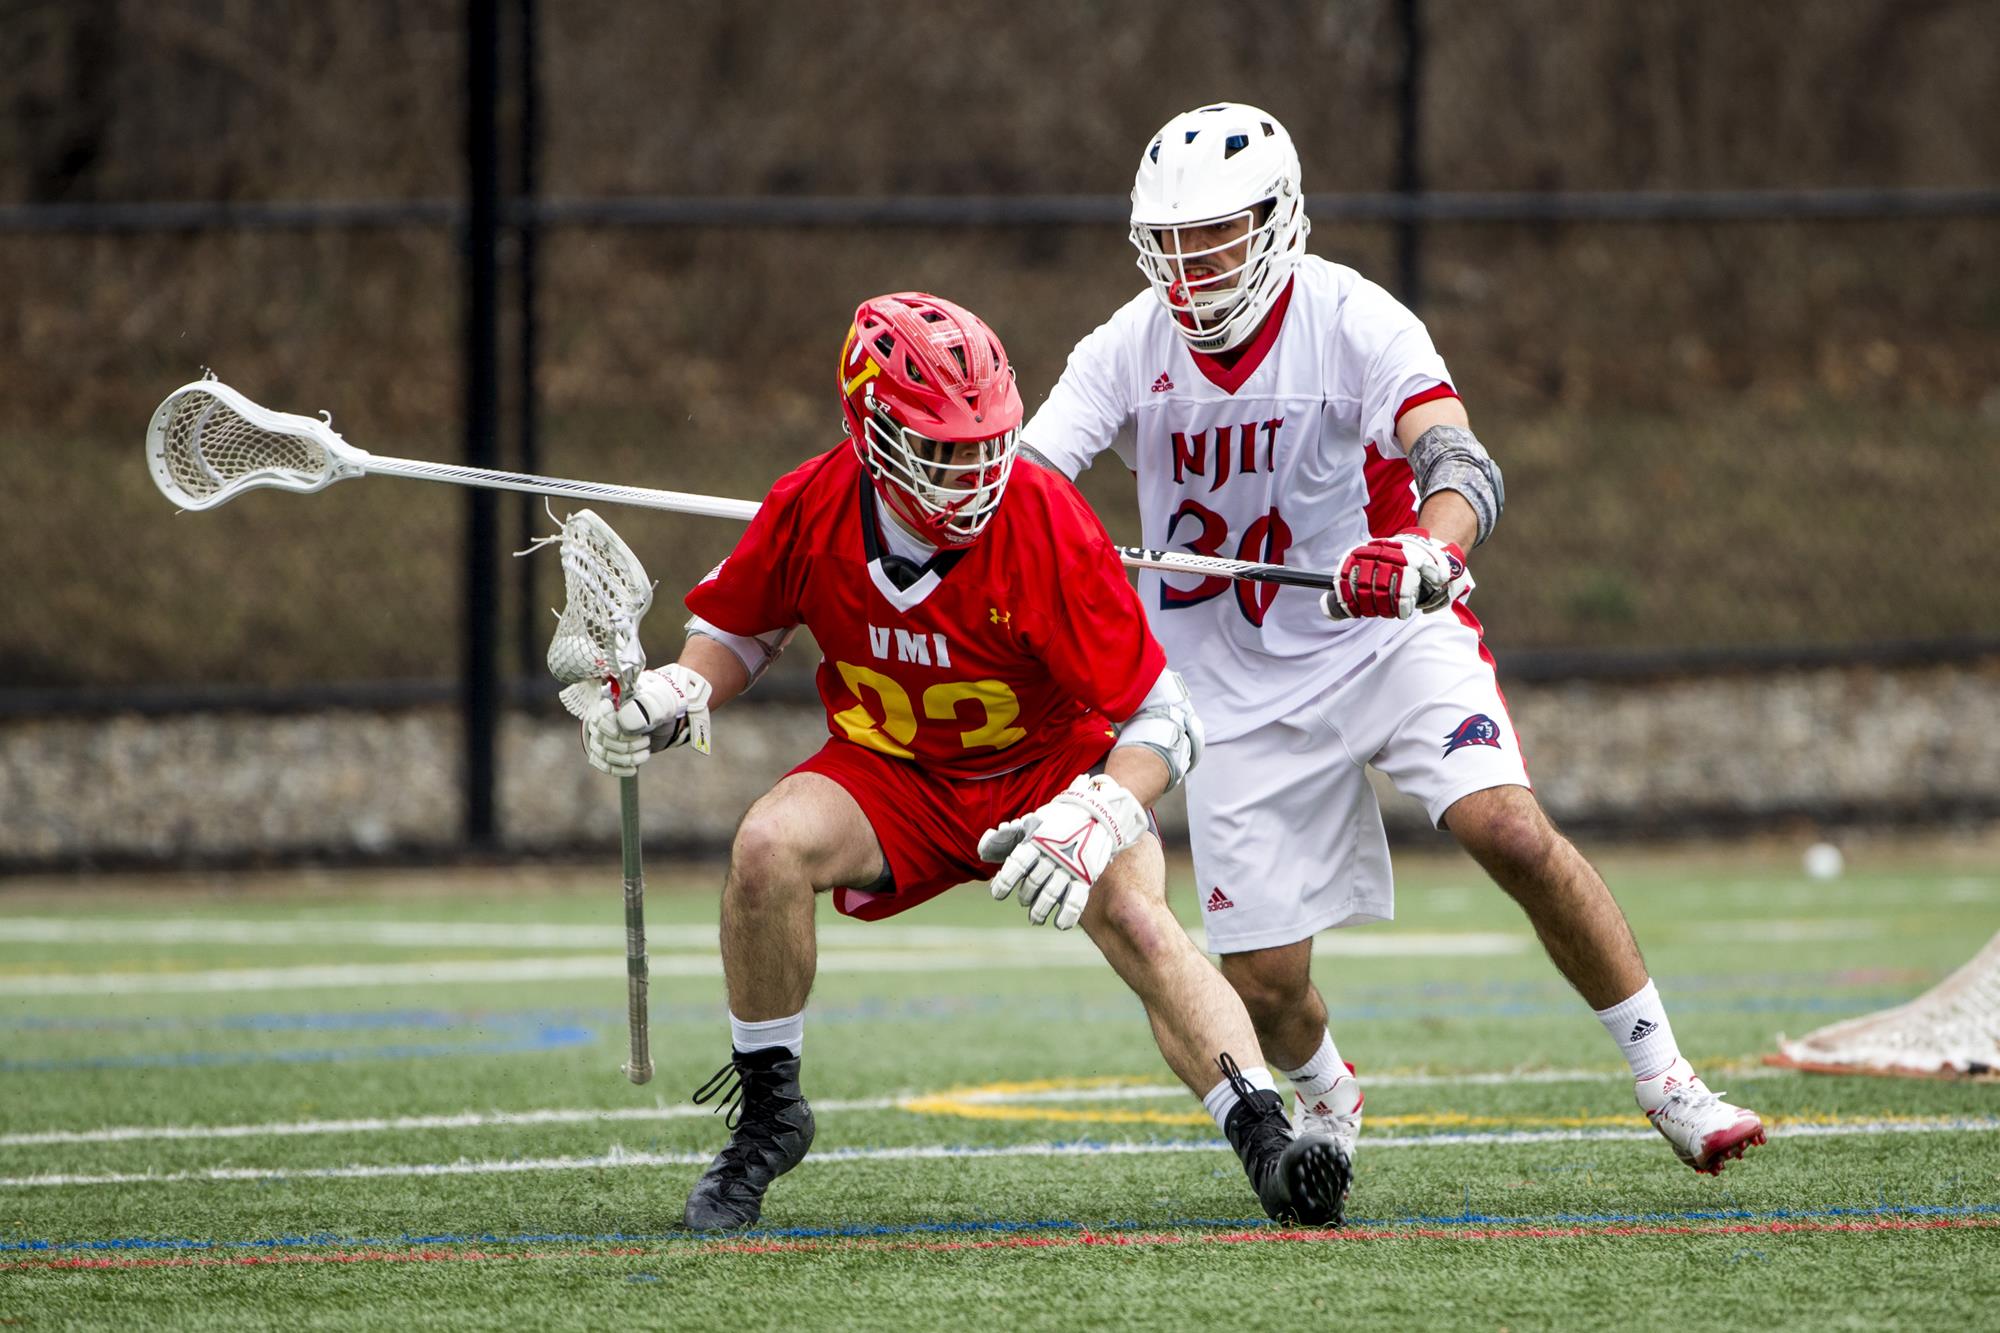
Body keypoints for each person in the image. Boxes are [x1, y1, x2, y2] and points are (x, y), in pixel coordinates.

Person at [1017, 103, 1765, 1179]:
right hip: (1225, 683)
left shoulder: (1355, 318)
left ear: (1276, 223)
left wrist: (1424, 546)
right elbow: (1027, 489)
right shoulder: (1125, 347)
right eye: (1170, 242)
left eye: (1215, 236)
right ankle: (1328, 1089)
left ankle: (1669, 1079)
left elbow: (1460, 465)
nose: (1190, 268)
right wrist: (1045, 542)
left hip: (1383, 636)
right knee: (1265, 984)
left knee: (1508, 828)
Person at [581, 291, 1351, 1230]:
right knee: (765, 847)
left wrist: (1103, 808)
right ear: (873, 435)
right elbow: (742, 630)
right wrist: (678, 692)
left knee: (1139, 919)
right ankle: (769, 1118)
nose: (978, 472)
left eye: (989, 443)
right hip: (891, 772)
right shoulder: (813, 503)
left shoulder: (1044, 519)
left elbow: (1166, 715)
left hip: (1049, 769)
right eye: (945, 449)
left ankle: (1269, 1143)